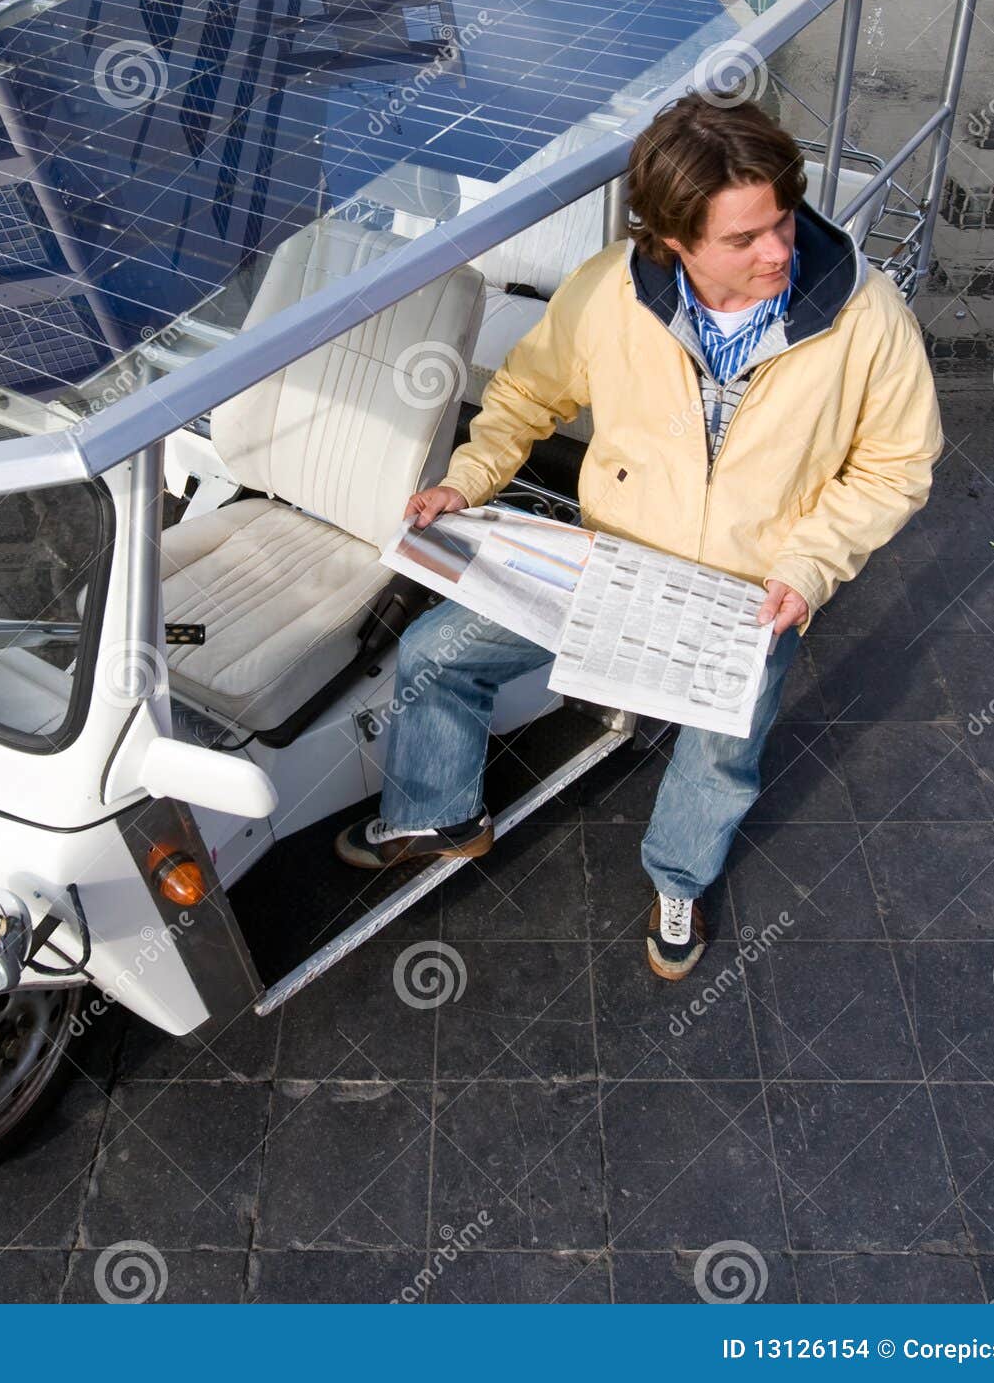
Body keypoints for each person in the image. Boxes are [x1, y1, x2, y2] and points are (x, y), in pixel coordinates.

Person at [335, 92, 943, 981]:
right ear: (672, 240)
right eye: (744, 239)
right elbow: (525, 394)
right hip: (610, 563)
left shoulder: (867, 315)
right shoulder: (609, 291)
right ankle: (438, 812)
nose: (778, 250)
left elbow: (898, 464)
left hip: (753, 597)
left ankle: (679, 879)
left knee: (720, 759)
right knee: (434, 654)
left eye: (781, 220)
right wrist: (468, 481)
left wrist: (808, 570)